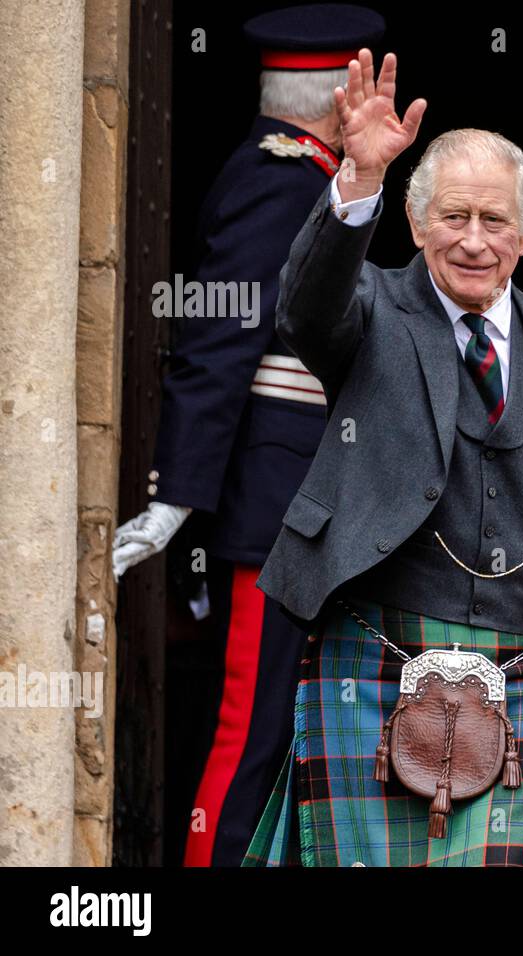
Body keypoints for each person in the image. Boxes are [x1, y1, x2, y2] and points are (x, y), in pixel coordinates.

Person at [240, 49, 523, 867]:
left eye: (495, 221)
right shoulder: (369, 310)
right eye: (453, 217)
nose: (474, 240)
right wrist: (357, 177)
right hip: (376, 648)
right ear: (416, 224)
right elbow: (306, 307)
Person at [110, 4, 386, 867]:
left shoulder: (313, 179)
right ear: (345, 96)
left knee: (296, 738)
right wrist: (177, 497)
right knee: (250, 734)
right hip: (273, 509)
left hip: (308, 505)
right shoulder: (285, 181)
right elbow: (218, 347)